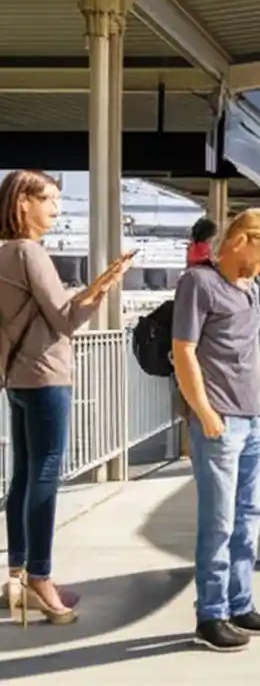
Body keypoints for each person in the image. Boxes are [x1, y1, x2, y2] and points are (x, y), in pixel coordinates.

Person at [0, 169, 132, 626]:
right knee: (45, 475)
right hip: (47, 377)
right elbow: (64, 321)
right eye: (49, 200)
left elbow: (42, 313)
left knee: (23, 474)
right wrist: (101, 290)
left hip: (17, 377)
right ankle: (41, 579)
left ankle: (15, 573)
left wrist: (94, 287)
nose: (56, 209)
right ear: (23, 204)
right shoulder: (32, 253)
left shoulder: (5, 254)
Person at [171, 207, 260, 651]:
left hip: (253, 419)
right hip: (219, 422)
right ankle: (211, 614)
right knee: (217, 522)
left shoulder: (252, 289)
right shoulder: (198, 284)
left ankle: (241, 602)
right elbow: (184, 351)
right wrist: (204, 411)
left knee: (249, 517)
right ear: (241, 241)